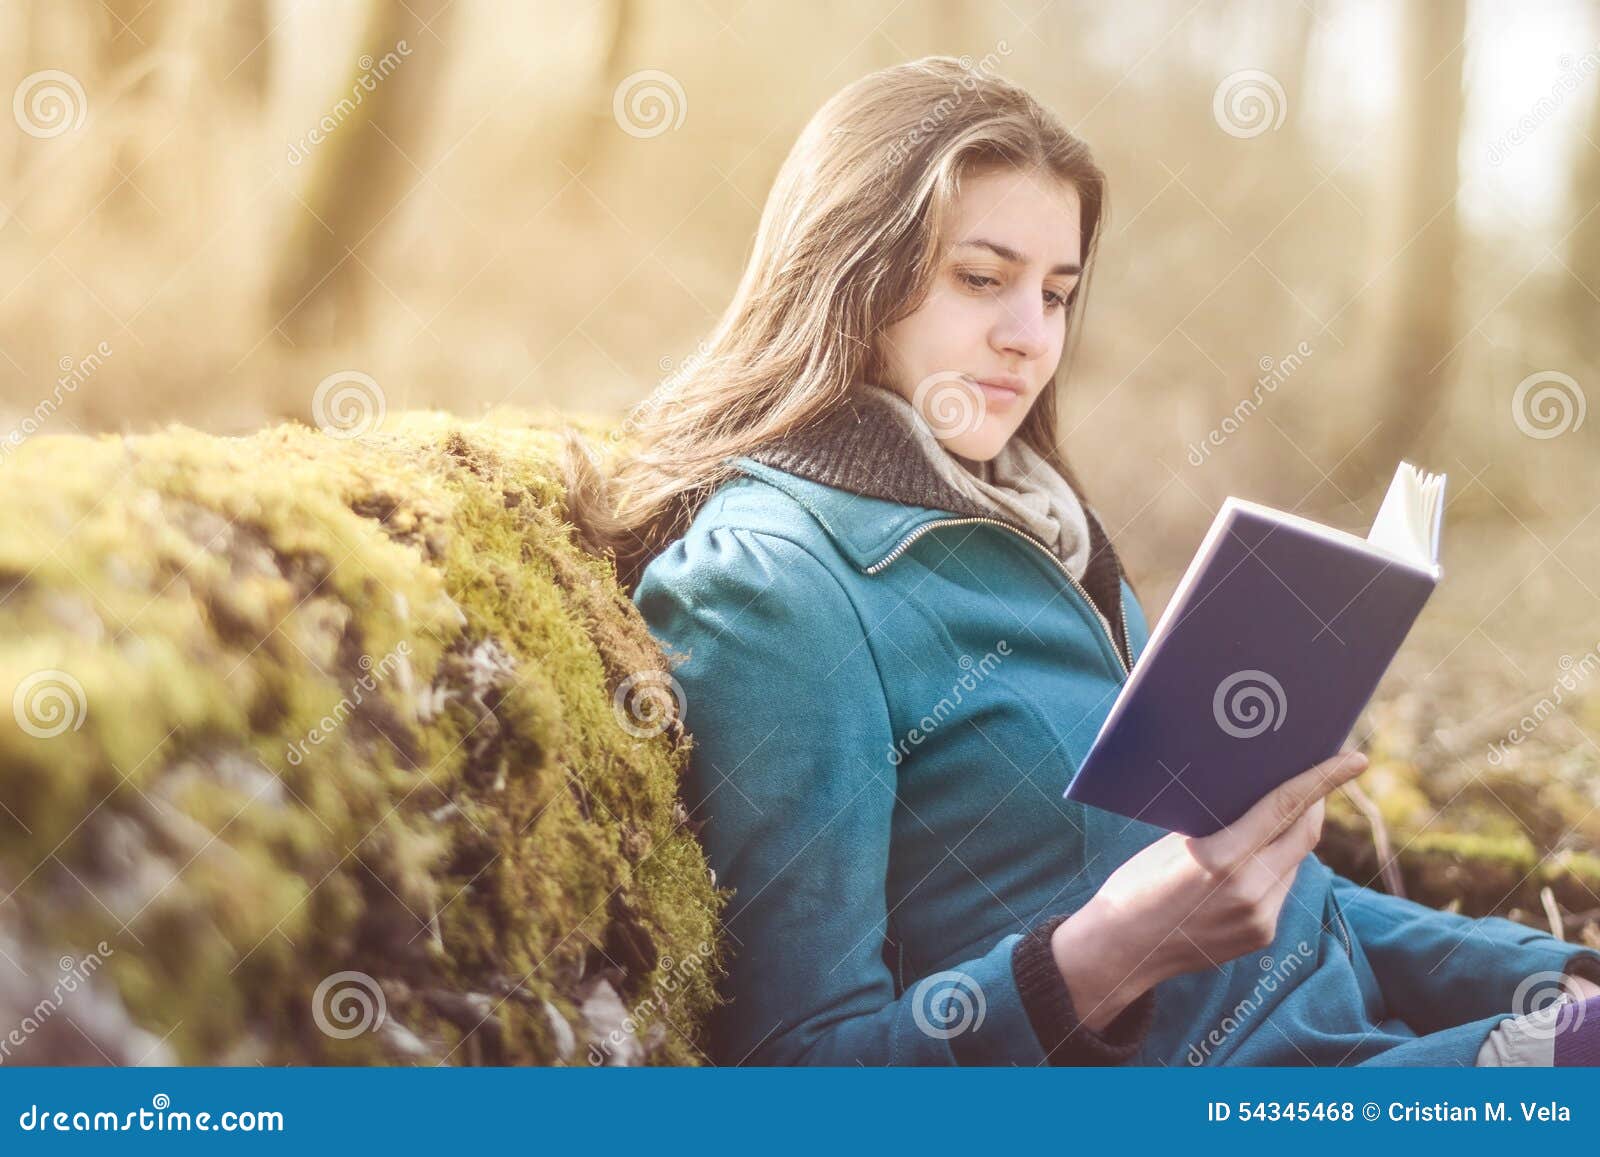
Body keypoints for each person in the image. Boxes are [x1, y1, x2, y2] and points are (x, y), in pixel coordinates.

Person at [565, 56, 1600, 1066]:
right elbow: (801, 1071)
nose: (1029, 336)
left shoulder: (1041, 523)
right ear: (847, 273)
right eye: (981, 278)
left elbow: (1292, 900)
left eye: (1056, 292)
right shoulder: (774, 590)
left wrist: (1544, 976)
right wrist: (1098, 960)